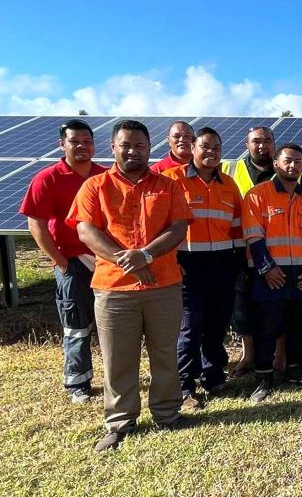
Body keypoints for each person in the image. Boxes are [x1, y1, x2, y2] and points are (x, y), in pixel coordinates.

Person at [67, 119, 192, 452]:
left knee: (164, 352)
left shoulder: (168, 186)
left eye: (139, 145)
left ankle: (167, 414)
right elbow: (86, 231)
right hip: (113, 289)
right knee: (118, 359)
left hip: (163, 285)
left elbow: (179, 228)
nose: (133, 150)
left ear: (149, 149)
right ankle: (120, 421)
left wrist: (147, 255)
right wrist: (129, 261)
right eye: (126, 145)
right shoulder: (94, 186)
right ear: (113, 148)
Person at [19, 119, 107, 404]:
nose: (81, 146)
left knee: (111, 324)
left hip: (106, 262)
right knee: (76, 326)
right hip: (73, 263)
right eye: (74, 141)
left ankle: (115, 378)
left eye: (87, 141)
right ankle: (78, 383)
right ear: (62, 144)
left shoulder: (104, 176)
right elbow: (37, 225)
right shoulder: (47, 178)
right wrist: (60, 262)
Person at [162, 127, 243, 410]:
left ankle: (214, 376)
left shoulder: (229, 185)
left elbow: (237, 226)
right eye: (205, 147)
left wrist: (237, 263)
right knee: (189, 327)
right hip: (187, 264)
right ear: (192, 148)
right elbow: (160, 226)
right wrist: (170, 260)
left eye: (216, 148)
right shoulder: (172, 181)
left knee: (216, 324)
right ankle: (185, 387)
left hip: (222, 263)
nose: (211, 153)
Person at [223, 126, 302, 377]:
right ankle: (249, 357)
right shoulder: (232, 170)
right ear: (247, 144)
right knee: (243, 308)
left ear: (274, 145)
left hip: (279, 258)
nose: (262, 145)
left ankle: (280, 358)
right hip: (238, 250)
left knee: (276, 309)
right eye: (256, 141)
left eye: (267, 141)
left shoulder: (291, 174)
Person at [241, 143, 302, 402]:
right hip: (269, 275)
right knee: (267, 327)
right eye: (288, 161)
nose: (293, 166)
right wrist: (267, 269)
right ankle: (263, 378)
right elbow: (253, 236)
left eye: (298, 162)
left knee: (298, 326)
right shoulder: (257, 195)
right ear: (276, 164)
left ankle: (295, 369)